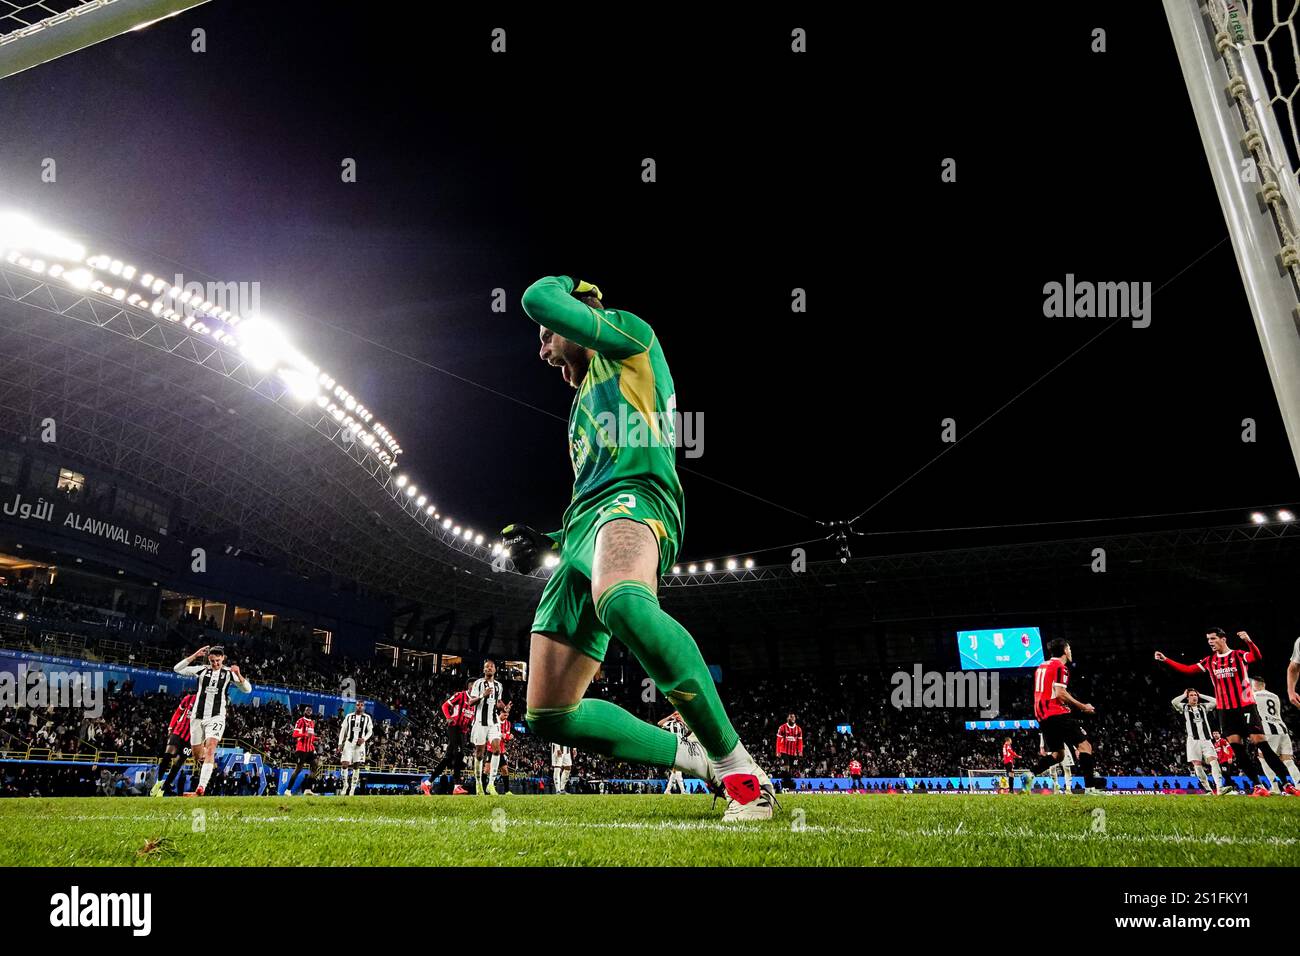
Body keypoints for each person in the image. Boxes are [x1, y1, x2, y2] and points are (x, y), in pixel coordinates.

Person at [506, 275, 775, 821]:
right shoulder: (582, 402)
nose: (542, 349)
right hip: (587, 524)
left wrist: (562, 290)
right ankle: (693, 758)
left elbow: (537, 295)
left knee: (623, 600)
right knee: (549, 714)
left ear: (578, 314)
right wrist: (550, 542)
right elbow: (589, 492)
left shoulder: (629, 338)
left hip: (638, 497)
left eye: (547, 335)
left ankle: (740, 770)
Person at [1155, 628, 1296, 796]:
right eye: (1208, 639)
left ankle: (1287, 783)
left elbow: (1256, 656)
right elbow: (1188, 669)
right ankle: (1258, 786)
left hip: (1245, 706)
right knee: (1237, 748)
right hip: (1225, 710)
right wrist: (1166, 660)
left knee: (1261, 743)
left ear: (1223, 639)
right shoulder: (1210, 661)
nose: (1210, 642)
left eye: (1213, 638)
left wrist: (1249, 642)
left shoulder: (1238, 655)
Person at [1024, 639, 1102, 793]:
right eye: (1070, 649)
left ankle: (1030, 773)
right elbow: (1060, 693)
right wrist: (1083, 706)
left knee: (1058, 755)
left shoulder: (1041, 666)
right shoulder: (1061, 667)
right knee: (1085, 747)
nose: (1071, 652)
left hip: (1042, 716)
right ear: (1065, 650)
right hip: (1056, 713)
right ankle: (1090, 788)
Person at [173, 645, 252, 797]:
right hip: (197, 717)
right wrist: (194, 655)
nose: (215, 664)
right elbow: (177, 669)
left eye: (217, 660)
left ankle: (200, 788)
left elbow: (247, 689)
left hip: (216, 716)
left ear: (223, 658)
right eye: (212, 661)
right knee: (197, 755)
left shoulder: (229, 673)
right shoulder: (202, 669)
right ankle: (209, 767)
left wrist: (240, 675)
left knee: (211, 748)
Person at [1171, 689, 1224, 795]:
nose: (1194, 697)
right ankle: (1208, 790)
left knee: (1214, 761)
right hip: (1192, 740)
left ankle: (1219, 788)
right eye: (1191, 695)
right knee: (1197, 765)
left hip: (1206, 739)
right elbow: (1174, 702)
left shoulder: (1203, 706)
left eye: (1195, 695)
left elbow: (1216, 701)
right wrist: (1183, 694)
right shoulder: (1184, 707)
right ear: (1187, 697)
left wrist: (1201, 695)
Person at [468, 660, 504, 796]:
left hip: (494, 722)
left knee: (496, 750)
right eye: (486, 667)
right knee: (479, 754)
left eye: (491, 666)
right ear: (484, 670)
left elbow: (498, 702)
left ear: (495, 670)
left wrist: (504, 707)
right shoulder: (478, 683)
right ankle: (478, 783)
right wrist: (483, 695)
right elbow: (471, 702)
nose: (489, 668)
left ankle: (491, 784)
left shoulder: (499, 686)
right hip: (480, 722)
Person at [151, 692, 194, 796]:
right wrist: (171, 726)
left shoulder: (209, 706)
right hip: (178, 731)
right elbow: (178, 712)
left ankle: (163, 788)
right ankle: (159, 781)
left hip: (191, 738)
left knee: (177, 763)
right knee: (167, 755)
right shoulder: (189, 699)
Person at [338, 701, 374, 797]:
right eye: (358, 705)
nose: (359, 706)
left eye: (361, 705)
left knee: (356, 766)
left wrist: (364, 739)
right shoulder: (349, 716)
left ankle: (352, 789)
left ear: (364, 707)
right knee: (345, 764)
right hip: (349, 743)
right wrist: (340, 743)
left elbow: (370, 731)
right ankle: (345, 785)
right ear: (355, 706)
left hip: (360, 745)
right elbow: (343, 730)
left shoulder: (367, 717)